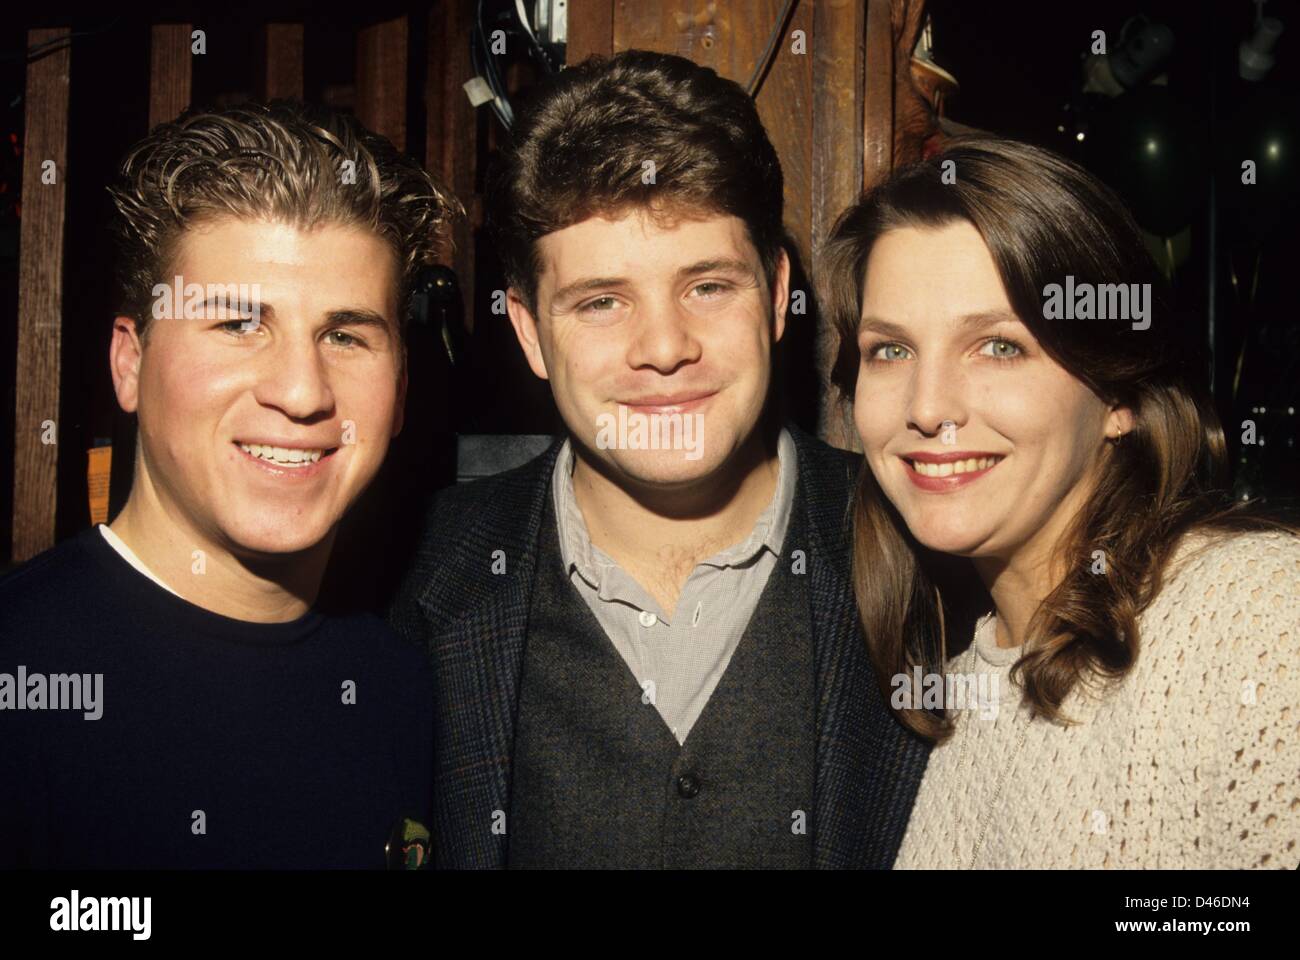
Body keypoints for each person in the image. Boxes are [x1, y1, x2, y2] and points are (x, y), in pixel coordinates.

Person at [389, 50, 930, 869]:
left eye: (708, 286)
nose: (665, 348)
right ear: (531, 332)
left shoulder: (937, 563)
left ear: (779, 292)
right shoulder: (405, 580)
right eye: (602, 302)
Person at [0, 100, 461, 869]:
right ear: (130, 362)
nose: (302, 391)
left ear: (402, 389)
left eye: (345, 335)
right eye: (239, 324)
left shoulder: (411, 687)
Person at [821, 136, 1300, 868]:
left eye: (998, 346)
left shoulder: (1256, 617)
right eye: (891, 350)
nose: (928, 407)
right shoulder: (951, 692)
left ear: (1118, 396)